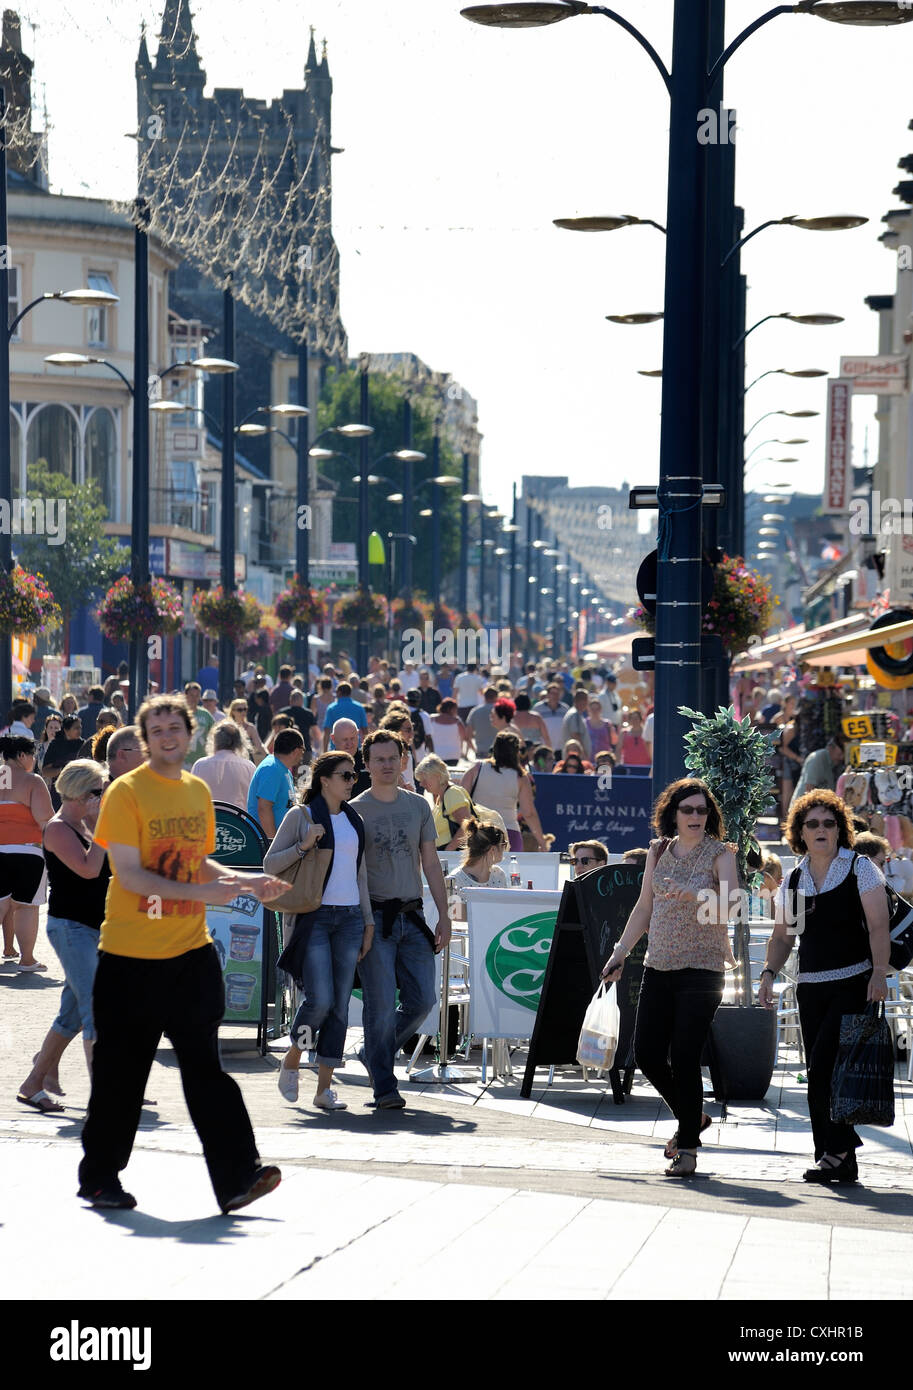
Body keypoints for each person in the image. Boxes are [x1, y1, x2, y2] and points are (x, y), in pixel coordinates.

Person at [77, 694, 287, 1213]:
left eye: (176, 727)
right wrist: (205, 894)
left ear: (190, 734)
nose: (167, 736)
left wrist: (245, 882)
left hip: (190, 955)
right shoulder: (125, 792)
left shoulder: (195, 791)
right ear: (145, 739)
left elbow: (199, 863)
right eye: (157, 729)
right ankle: (100, 1178)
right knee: (121, 1078)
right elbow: (128, 874)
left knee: (205, 1070)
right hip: (129, 958)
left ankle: (239, 1177)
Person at [601, 778, 739, 1178]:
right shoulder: (658, 851)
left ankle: (689, 1151)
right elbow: (644, 907)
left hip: (703, 967)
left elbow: (731, 907)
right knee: (645, 1053)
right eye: (688, 810)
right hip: (658, 964)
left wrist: (693, 894)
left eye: (702, 810)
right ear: (673, 814)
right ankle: (691, 1117)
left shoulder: (720, 854)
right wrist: (620, 952)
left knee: (683, 1056)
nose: (697, 817)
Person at [760, 790, 890, 1184]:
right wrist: (767, 973)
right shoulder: (795, 878)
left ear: (840, 829)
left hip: (854, 982)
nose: (821, 829)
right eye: (812, 823)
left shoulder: (859, 868)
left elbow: (879, 925)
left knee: (822, 1070)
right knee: (820, 1069)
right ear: (799, 832)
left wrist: (879, 973)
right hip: (810, 987)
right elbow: (784, 937)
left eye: (828, 823)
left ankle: (835, 1152)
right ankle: (840, 1158)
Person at [350, 730, 451, 1109]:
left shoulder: (419, 806)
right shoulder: (355, 809)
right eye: (379, 759)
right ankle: (385, 1087)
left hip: (413, 915)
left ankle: (374, 1055)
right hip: (374, 918)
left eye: (393, 758)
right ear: (367, 764)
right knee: (378, 1004)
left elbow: (430, 863)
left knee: (423, 1001)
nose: (387, 764)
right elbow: (353, 872)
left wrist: (443, 914)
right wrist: (361, 922)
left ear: (404, 760)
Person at [269, 752, 374, 1111]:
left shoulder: (353, 820)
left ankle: (324, 1089)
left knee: (341, 1006)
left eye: (354, 776)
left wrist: (368, 921)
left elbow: (360, 874)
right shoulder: (300, 816)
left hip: (349, 919)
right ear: (324, 779)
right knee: (320, 1000)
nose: (352, 781)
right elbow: (269, 863)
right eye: (346, 776)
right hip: (314, 916)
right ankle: (294, 1058)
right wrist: (303, 846)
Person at [16, 759, 111, 1112]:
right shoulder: (58, 829)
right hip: (71, 929)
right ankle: (104, 1099)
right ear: (80, 793)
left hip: (92, 928)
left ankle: (33, 1082)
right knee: (95, 1011)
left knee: (70, 1015)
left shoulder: (85, 825)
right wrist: (103, 829)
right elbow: (88, 870)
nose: (102, 798)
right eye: (98, 792)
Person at [0, 735, 54, 970]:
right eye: (32, 755)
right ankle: (27, 959)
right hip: (27, 851)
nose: (34, 760)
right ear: (22, 756)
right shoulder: (32, 781)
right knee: (25, 906)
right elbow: (45, 819)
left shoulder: (1, 777)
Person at [462, 729, 548, 854]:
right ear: (516, 751)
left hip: (480, 833)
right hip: (509, 834)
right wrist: (542, 843)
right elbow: (529, 813)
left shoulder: (476, 769)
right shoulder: (521, 777)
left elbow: (462, 799)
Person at [246, 728, 306, 840]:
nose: (302, 755)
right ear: (296, 751)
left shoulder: (283, 769)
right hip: (262, 843)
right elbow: (264, 808)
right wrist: (272, 844)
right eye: (303, 750)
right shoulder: (272, 768)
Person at [415, 754, 474, 849]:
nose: (421, 784)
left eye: (424, 780)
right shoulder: (442, 796)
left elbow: (468, 826)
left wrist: (448, 850)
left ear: (438, 776)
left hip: (453, 857)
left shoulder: (451, 793)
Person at [192, 722, 256, 810]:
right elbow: (253, 803)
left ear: (214, 741)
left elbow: (193, 800)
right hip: (237, 822)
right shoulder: (249, 767)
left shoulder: (199, 765)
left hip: (208, 821)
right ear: (239, 743)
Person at [449, 818, 510, 891]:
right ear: (492, 849)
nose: (506, 848)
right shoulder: (456, 879)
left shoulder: (499, 874)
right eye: (504, 844)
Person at [790, 735, 844, 805]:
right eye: (840, 754)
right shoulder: (818, 758)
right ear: (831, 748)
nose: (842, 758)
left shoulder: (837, 763)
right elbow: (809, 789)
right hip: (805, 808)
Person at [321, 681, 368, 750]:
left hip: (336, 748)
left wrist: (325, 750)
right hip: (355, 747)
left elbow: (327, 731)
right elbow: (365, 730)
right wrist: (366, 749)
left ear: (339, 693)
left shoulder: (332, 708)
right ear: (350, 693)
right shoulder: (359, 707)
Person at [329, 719, 371, 795]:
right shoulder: (325, 763)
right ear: (333, 738)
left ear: (358, 735)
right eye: (345, 740)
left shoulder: (369, 759)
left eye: (352, 738)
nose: (349, 744)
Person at [428, 698, 470, 766]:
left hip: (436, 754)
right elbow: (465, 737)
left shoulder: (431, 719)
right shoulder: (457, 721)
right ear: (450, 709)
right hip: (453, 755)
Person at [182, 682, 214, 769]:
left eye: (197, 695)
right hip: (183, 761)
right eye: (191, 695)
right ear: (185, 695)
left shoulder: (205, 715)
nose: (194, 698)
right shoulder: (180, 714)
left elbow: (214, 734)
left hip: (202, 761)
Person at [532, 683, 570, 753]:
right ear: (548, 694)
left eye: (557, 693)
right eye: (553, 693)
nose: (555, 696)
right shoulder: (538, 708)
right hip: (543, 748)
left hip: (561, 749)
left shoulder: (565, 709)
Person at [228, 698, 266, 763]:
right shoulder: (228, 727)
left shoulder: (251, 728)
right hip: (231, 760)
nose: (243, 712)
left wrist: (268, 757)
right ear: (233, 711)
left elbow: (259, 745)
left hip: (246, 761)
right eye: (240, 710)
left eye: (245, 709)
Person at [280, 689, 317, 755]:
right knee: (305, 765)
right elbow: (315, 732)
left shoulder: (283, 713)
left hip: (286, 751)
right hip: (305, 749)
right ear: (302, 701)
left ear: (290, 700)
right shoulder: (309, 713)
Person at [560, 688, 593, 761]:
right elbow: (575, 735)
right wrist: (584, 754)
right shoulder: (575, 714)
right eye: (586, 700)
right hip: (574, 758)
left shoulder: (576, 714)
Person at [467, 686, 499, 759]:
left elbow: (467, 735)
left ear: (484, 696)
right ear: (496, 697)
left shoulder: (475, 711)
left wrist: (474, 750)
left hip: (481, 751)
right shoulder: (501, 711)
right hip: (499, 752)